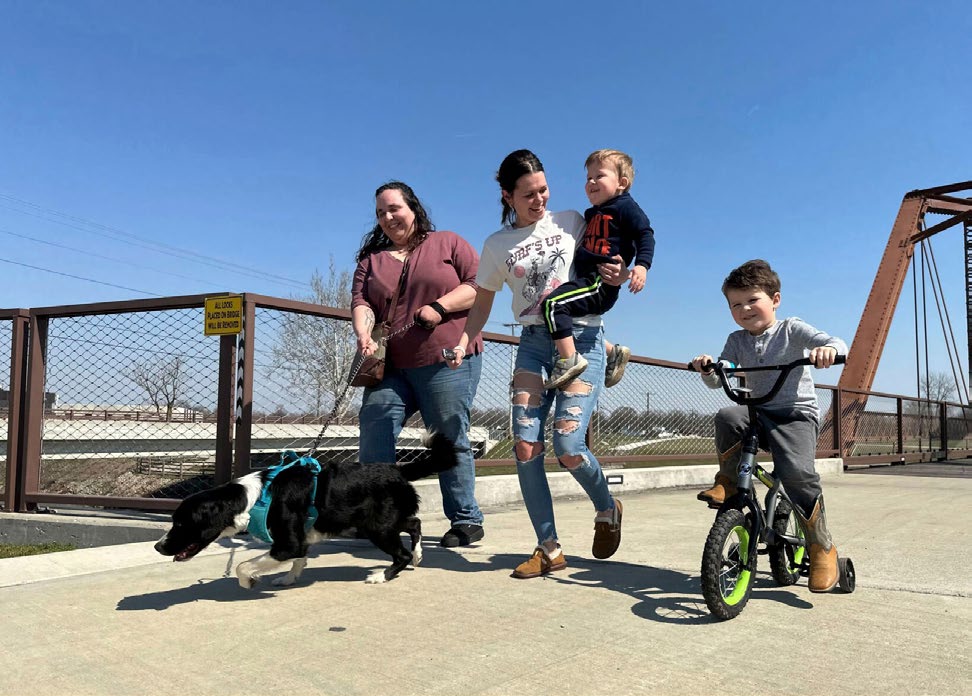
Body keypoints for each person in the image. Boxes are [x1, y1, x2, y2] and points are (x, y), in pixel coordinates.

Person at [447, 149, 626, 579]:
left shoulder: (573, 222)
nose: (539, 199)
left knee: (568, 447)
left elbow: (615, 253)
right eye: (528, 194)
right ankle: (548, 548)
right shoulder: (496, 245)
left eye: (543, 190)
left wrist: (622, 272)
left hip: (581, 338)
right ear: (508, 196)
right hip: (531, 343)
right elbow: (483, 301)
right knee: (526, 447)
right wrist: (463, 340)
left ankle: (607, 508)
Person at [690, 259, 848, 592]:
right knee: (728, 416)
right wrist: (711, 369)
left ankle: (821, 547)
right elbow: (725, 372)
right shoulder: (736, 340)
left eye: (752, 300)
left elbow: (836, 341)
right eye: (736, 304)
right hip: (757, 414)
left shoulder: (792, 329)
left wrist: (827, 351)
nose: (745, 308)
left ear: (774, 300)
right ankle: (729, 482)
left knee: (796, 475)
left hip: (794, 414)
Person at [351, 181, 486, 548]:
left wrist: (440, 307)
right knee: (375, 425)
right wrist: (363, 334)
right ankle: (380, 514)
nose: (388, 217)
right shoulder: (371, 262)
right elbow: (362, 303)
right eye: (380, 213)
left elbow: (479, 285)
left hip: (445, 358)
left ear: (412, 207)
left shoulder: (448, 243)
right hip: (391, 365)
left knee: (447, 434)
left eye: (393, 208)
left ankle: (465, 519)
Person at [542, 149, 655, 390]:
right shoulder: (592, 213)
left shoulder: (625, 206)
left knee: (553, 305)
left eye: (599, 176)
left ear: (622, 183)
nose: (591, 182)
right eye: (588, 178)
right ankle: (612, 352)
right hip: (588, 280)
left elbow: (645, 234)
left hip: (600, 281)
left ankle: (569, 359)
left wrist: (641, 267)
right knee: (570, 317)